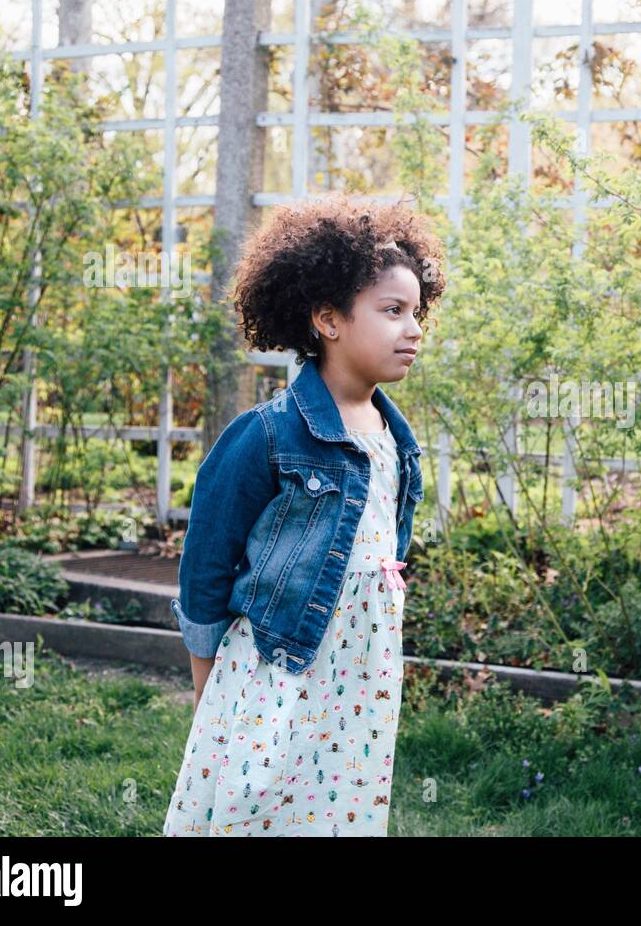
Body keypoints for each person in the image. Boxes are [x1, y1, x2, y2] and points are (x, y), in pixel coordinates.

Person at [162, 194, 444, 836]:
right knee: (254, 803)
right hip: (274, 669)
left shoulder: (396, 438)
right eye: (393, 311)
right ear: (328, 318)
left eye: (418, 313)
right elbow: (205, 566)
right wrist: (208, 686)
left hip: (360, 674)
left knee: (336, 807)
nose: (414, 329)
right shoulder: (266, 436)